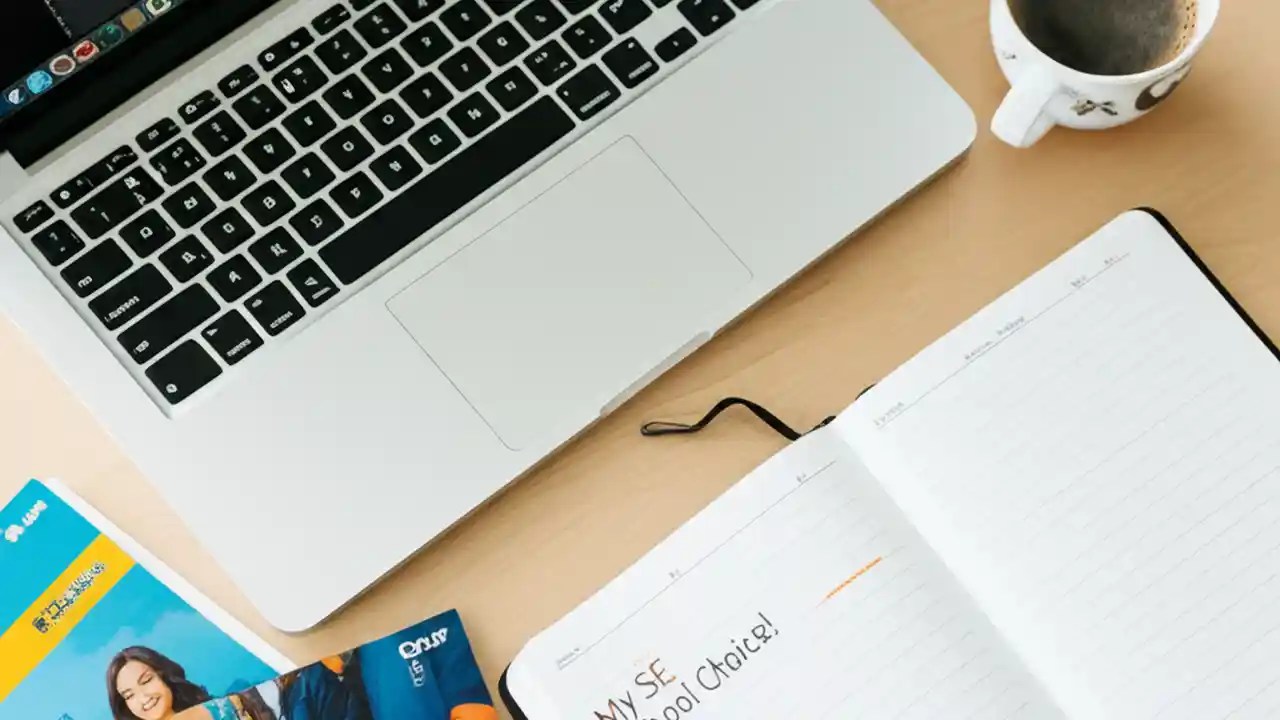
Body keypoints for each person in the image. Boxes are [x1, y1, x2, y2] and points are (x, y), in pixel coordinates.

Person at [107, 647, 212, 720]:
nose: (144, 698)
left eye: (146, 681)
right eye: (129, 696)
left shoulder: (217, 710)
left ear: (164, 675)